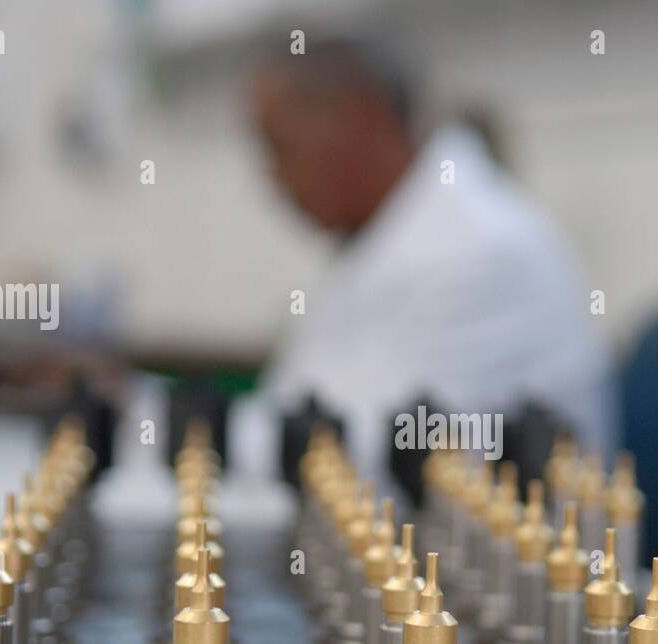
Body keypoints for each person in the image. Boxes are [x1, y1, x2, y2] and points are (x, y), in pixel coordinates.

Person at [233, 33, 613, 478]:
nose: (273, 179)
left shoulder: (479, 248)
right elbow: (293, 409)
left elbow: (375, 458)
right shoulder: (376, 238)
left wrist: (199, 434)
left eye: (279, 147)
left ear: (357, 117)